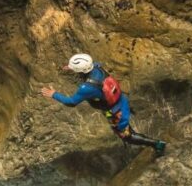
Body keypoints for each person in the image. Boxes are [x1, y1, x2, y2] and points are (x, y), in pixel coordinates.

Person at [39, 53, 167, 156]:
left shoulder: (86, 88)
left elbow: (71, 102)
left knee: (127, 136)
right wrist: (71, 67)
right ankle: (129, 118)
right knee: (123, 123)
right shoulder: (97, 67)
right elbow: (89, 66)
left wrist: (54, 94)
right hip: (120, 98)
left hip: (114, 110)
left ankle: (157, 144)